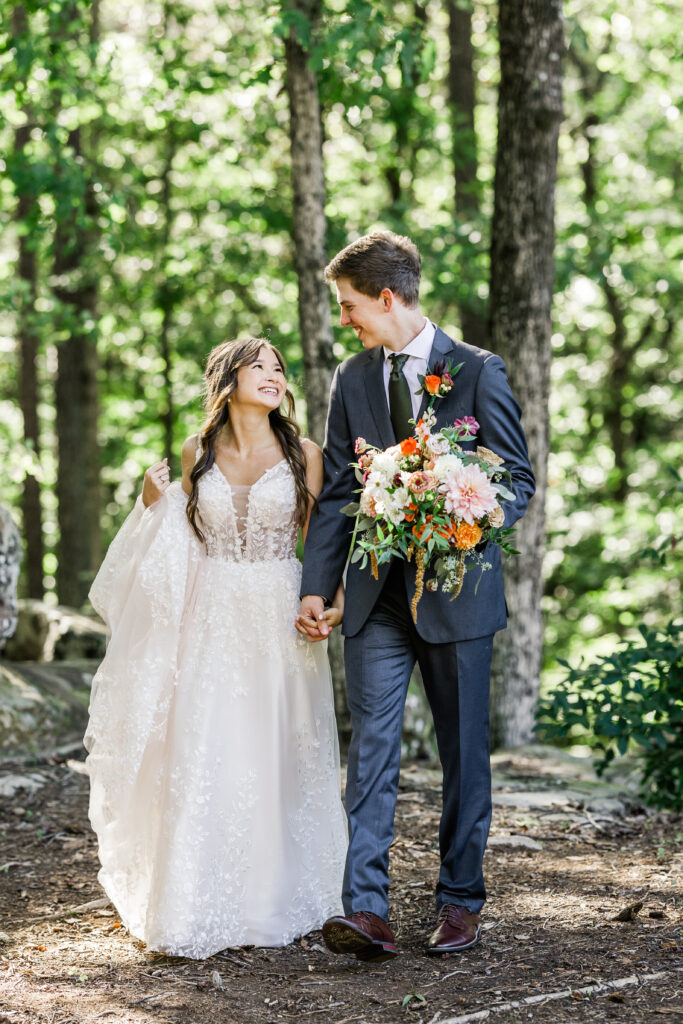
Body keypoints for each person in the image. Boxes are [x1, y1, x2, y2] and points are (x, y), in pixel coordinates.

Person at [296, 231, 536, 962]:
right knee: (369, 751)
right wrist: (316, 585)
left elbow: (517, 481)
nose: (345, 319)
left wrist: (464, 509)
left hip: (458, 594)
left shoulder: (477, 371)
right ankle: (364, 910)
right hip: (375, 601)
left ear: (387, 298)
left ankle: (459, 902)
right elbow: (339, 490)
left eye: (349, 306)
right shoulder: (352, 378)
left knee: (463, 753)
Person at [84, 337, 347, 959]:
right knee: (208, 744)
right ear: (228, 381)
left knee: (278, 743)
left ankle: (281, 894)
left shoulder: (305, 453)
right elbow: (185, 541)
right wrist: (157, 508)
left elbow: (323, 539)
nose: (275, 376)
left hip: (280, 613)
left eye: (280, 369)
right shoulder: (196, 450)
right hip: (210, 615)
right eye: (261, 367)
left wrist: (331, 603)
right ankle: (194, 900)